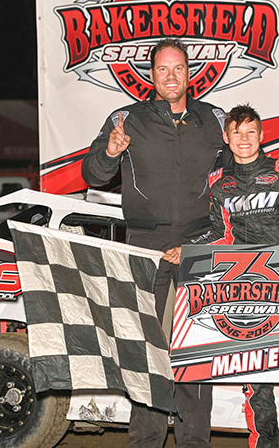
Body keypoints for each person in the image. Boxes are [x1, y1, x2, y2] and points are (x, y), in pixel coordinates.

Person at [82, 38, 225, 448]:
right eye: (162, 69)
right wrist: (110, 151)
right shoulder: (127, 119)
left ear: (189, 71)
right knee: (148, 351)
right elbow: (91, 174)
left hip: (201, 244)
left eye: (177, 68)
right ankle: (145, 441)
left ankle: (195, 440)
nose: (170, 77)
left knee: (195, 349)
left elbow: (241, 174)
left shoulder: (214, 119)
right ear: (151, 75)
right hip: (146, 245)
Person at [165, 104, 279, 448]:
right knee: (257, 380)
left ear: (262, 135)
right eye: (237, 133)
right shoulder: (218, 182)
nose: (244, 139)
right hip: (244, 292)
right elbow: (218, 233)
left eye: (251, 132)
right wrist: (187, 248)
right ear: (226, 138)